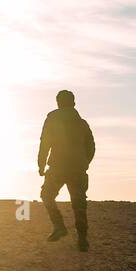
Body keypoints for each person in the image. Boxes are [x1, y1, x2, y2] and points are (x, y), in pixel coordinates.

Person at [37, 89, 95, 251]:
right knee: (79, 203)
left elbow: (44, 143)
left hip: (58, 167)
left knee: (46, 195)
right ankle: (83, 240)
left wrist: (41, 164)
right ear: (73, 103)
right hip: (78, 168)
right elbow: (91, 146)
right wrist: (84, 162)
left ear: (58, 103)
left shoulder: (52, 119)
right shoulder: (82, 123)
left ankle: (59, 226)